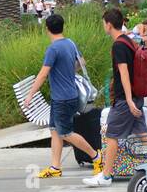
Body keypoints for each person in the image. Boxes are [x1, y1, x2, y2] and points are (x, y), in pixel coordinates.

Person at [23, 13, 102, 179]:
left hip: (62, 99)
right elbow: (82, 63)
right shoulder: (70, 43)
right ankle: (55, 167)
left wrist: (30, 95)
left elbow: (43, 74)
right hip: (67, 96)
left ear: (47, 29)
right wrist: (67, 71)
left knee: (65, 133)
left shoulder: (53, 49)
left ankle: (96, 157)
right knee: (54, 130)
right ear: (62, 27)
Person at [83, 7, 147, 189]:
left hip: (125, 99)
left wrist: (127, 99)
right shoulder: (128, 40)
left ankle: (106, 175)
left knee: (111, 134)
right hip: (135, 96)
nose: (104, 26)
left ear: (109, 24)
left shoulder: (119, 44)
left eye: (104, 23)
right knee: (142, 134)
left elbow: (124, 73)